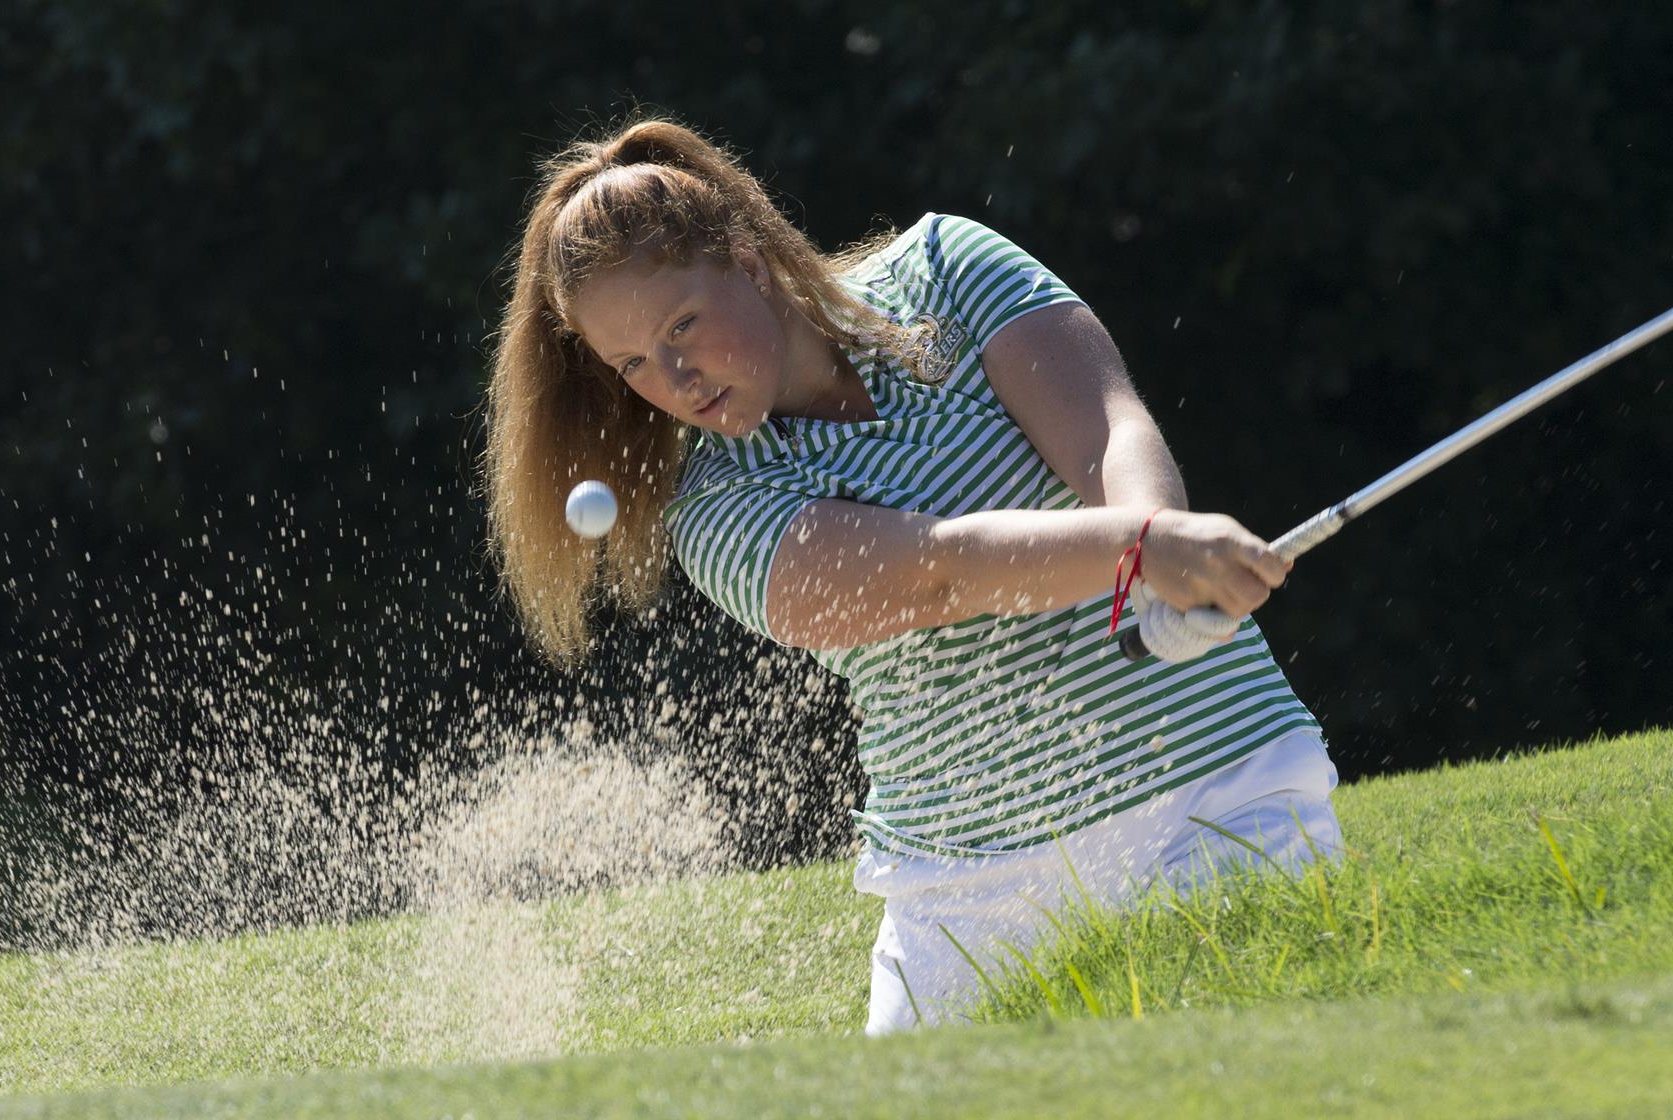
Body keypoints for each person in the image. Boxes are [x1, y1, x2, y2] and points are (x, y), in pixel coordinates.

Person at [481, 116, 1344, 1035]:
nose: (678, 377)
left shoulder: (947, 266)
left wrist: (1160, 550)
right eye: (634, 364)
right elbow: (942, 571)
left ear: (747, 259)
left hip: (1216, 791)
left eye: (682, 325)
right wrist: (1140, 549)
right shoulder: (711, 512)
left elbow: (1107, 431)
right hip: (972, 894)